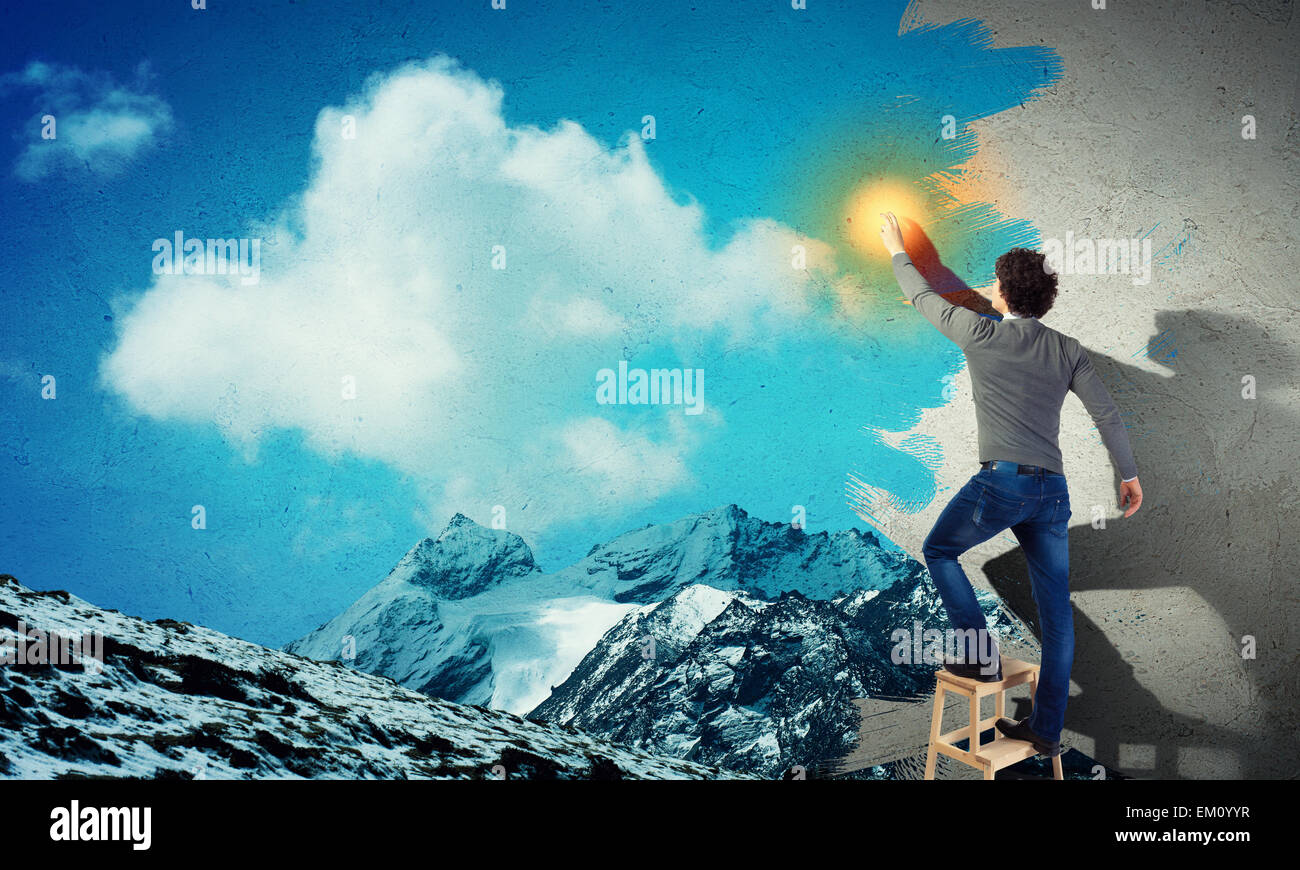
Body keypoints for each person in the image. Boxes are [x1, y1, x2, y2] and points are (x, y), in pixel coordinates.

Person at [877, 211, 1142, 758]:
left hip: (1001, 486)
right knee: (1057, 617)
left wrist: (895, 248)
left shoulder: (978, 334)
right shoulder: (1069, 349)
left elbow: (923, 296)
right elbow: (1109, 415)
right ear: (1045, 299)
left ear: (1000, 291)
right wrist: (1129, 475)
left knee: (939, 549)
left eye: (996, 284)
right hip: (1052, 493)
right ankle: (1046, 733)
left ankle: (979, 655)